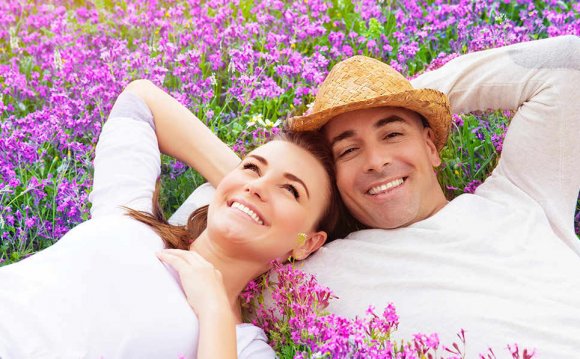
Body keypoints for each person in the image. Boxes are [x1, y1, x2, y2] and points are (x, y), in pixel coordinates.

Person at [177, 36, 580, 356]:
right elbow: (217, 210)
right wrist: (285, 179)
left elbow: (569, 64)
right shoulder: (305, 273)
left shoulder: (523, 196)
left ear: (432, 146)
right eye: (348, 151)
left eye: (392, 134)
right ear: (334, 179)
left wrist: (401, 93)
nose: (375, 160)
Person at [0, 79, 343, 358]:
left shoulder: (242, 346)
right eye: (251, 167)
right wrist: (242, 189)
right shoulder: (130, 216)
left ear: (308, 243)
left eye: (291, 190)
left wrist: (214, 307)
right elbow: (141, 101)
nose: (257, 186)